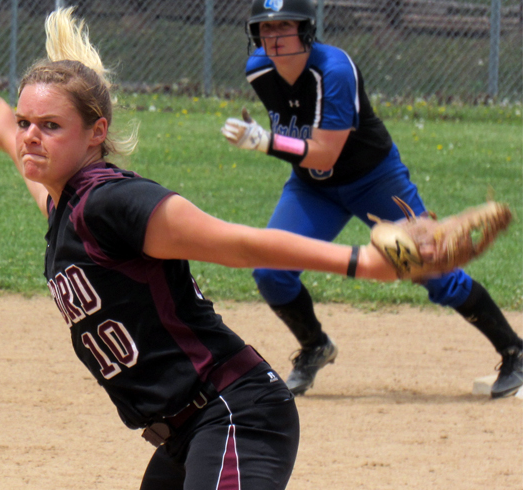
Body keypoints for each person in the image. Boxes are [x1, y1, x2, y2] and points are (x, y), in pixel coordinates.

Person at [0, 7, 413, 489]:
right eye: (27, 122)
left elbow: (240, 244)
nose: (32, 136)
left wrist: (361, 262)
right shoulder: (72, 205)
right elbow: (45, 195)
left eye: (50, 126)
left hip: (235, 414)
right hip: (188, 432)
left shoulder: (117, 203)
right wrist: (6, 132)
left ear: (97, 133)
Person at [221, 0, 523, 398]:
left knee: (431, 267)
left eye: (284, 27)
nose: (273, 38)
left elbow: (326, 151)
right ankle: (315, 347)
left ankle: (514, 352)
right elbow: (306, 141)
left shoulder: (334, 70)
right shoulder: (258, 69)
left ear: (306, 30)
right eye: (265, 29)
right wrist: (273, 139)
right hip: (313, 188)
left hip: (375, 181)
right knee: (270, 268)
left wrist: (265, 141)